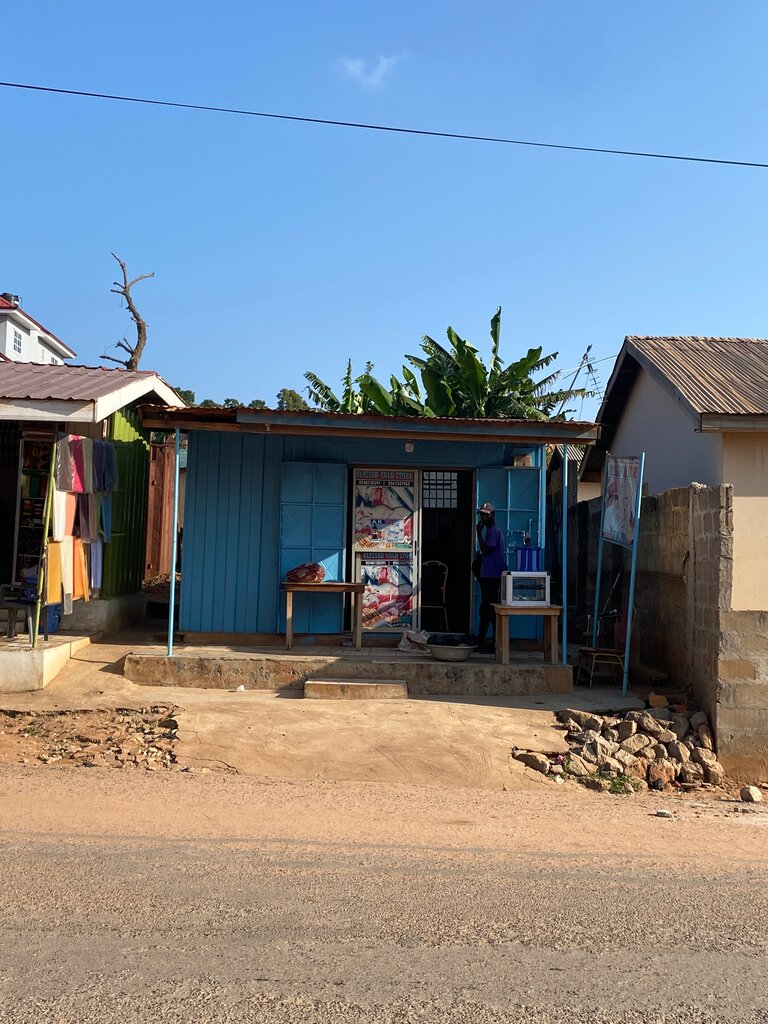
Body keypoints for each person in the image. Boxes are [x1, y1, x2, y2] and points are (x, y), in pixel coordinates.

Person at [474, 502, 506, 649]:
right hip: (489, 575)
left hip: (492, 576)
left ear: (492, 515)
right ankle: (482, 640)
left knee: (489, 610)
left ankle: (493, 642)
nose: (482, 518)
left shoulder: (493, 531)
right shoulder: (492, 531)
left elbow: (486, 550)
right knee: (486, 609)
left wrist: (478, 533)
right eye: (481, 515)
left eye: (485, 515)